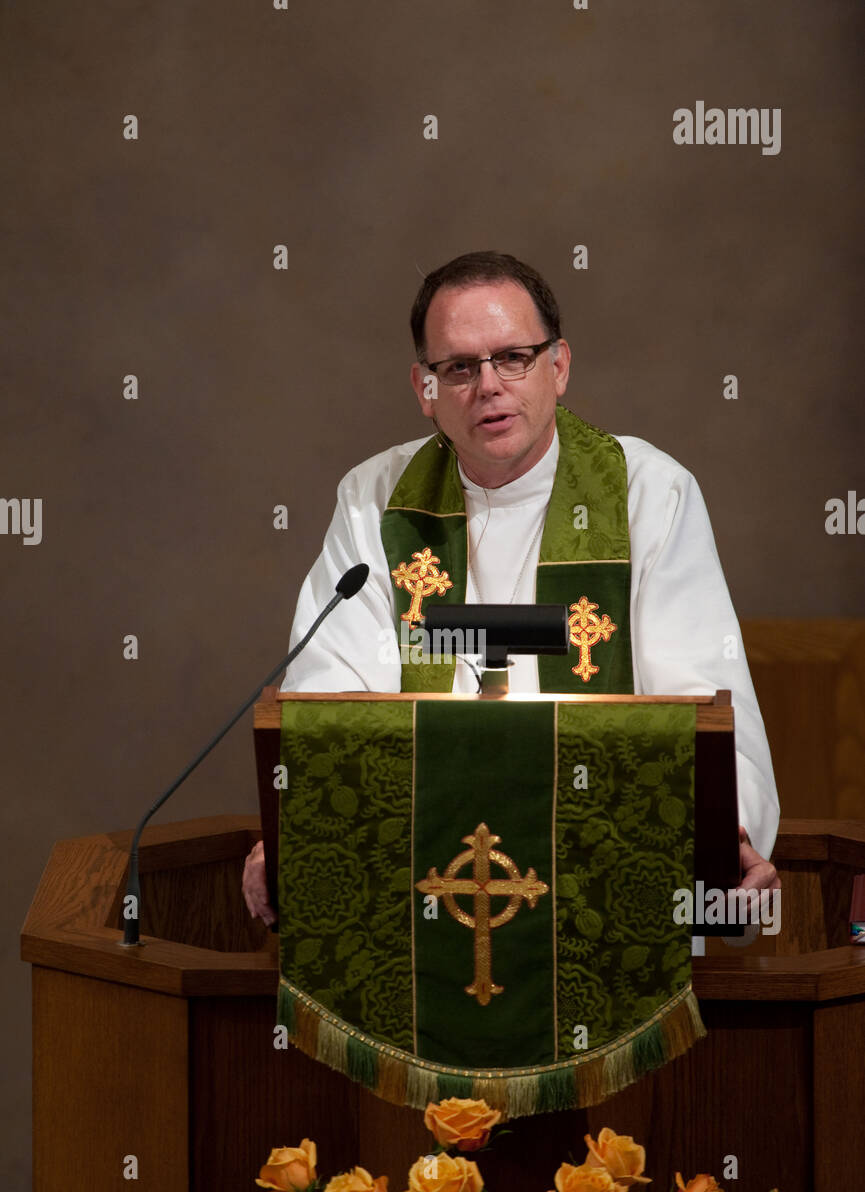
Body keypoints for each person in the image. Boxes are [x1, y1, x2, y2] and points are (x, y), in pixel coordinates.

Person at [243, 251, 780, 923]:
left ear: (557, 367)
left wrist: (725, 834)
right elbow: (331, 700)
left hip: (606, 888)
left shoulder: (646, 492)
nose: (487, 385)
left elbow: (701, 698)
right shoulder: (374, 500)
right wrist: (297, 824)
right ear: (424, 389)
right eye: (458, 368)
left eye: (513, 357)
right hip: (426, 895)